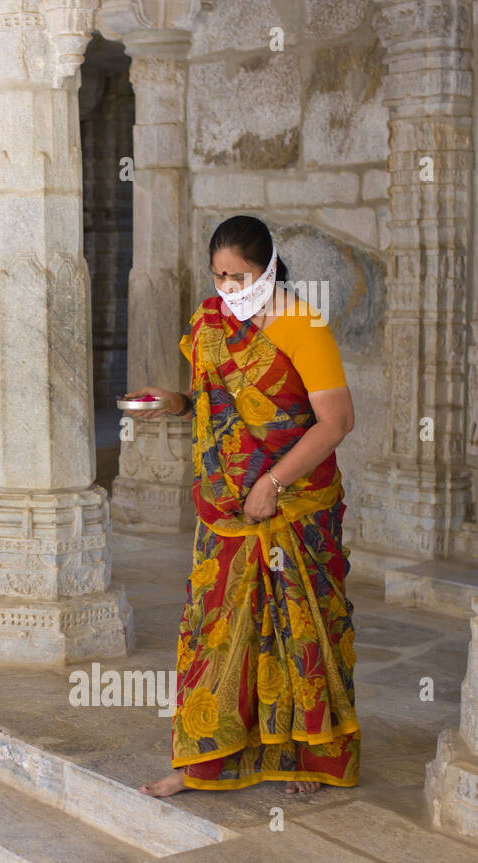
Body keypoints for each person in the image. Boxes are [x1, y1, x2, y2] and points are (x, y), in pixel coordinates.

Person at [125, 215, 360, 797]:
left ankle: (303, 754)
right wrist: (175, 402)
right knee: (216, 626)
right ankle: (203, 761)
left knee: (298, 628)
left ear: (269, 266)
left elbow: (337, 422)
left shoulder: (303, 326)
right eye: (219, 275)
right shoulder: (212, 322)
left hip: (295, 503)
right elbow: (214, 400)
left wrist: (273, 484)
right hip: (224, 503)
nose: (229, 287)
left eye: (240, 274)